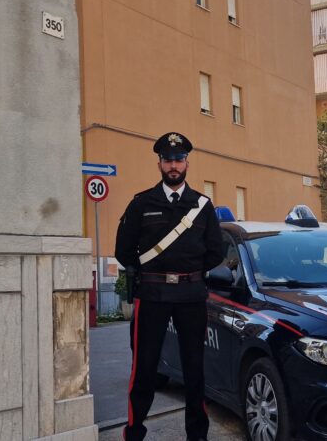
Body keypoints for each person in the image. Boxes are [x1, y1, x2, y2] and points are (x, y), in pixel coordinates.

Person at [115, 132, 225, 441]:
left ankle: (197, 436)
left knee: (194, 369)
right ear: (160, 164)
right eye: (167, 160)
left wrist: (190, 272)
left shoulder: (202, 206)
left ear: (187, 163)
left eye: (178, 160)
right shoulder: (141, 203)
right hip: (152, 296)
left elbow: (216, 251)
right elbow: (124, 250)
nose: (173, 165)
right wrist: (152, 273)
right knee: (144, 368)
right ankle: (134, 433)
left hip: (191, 297)